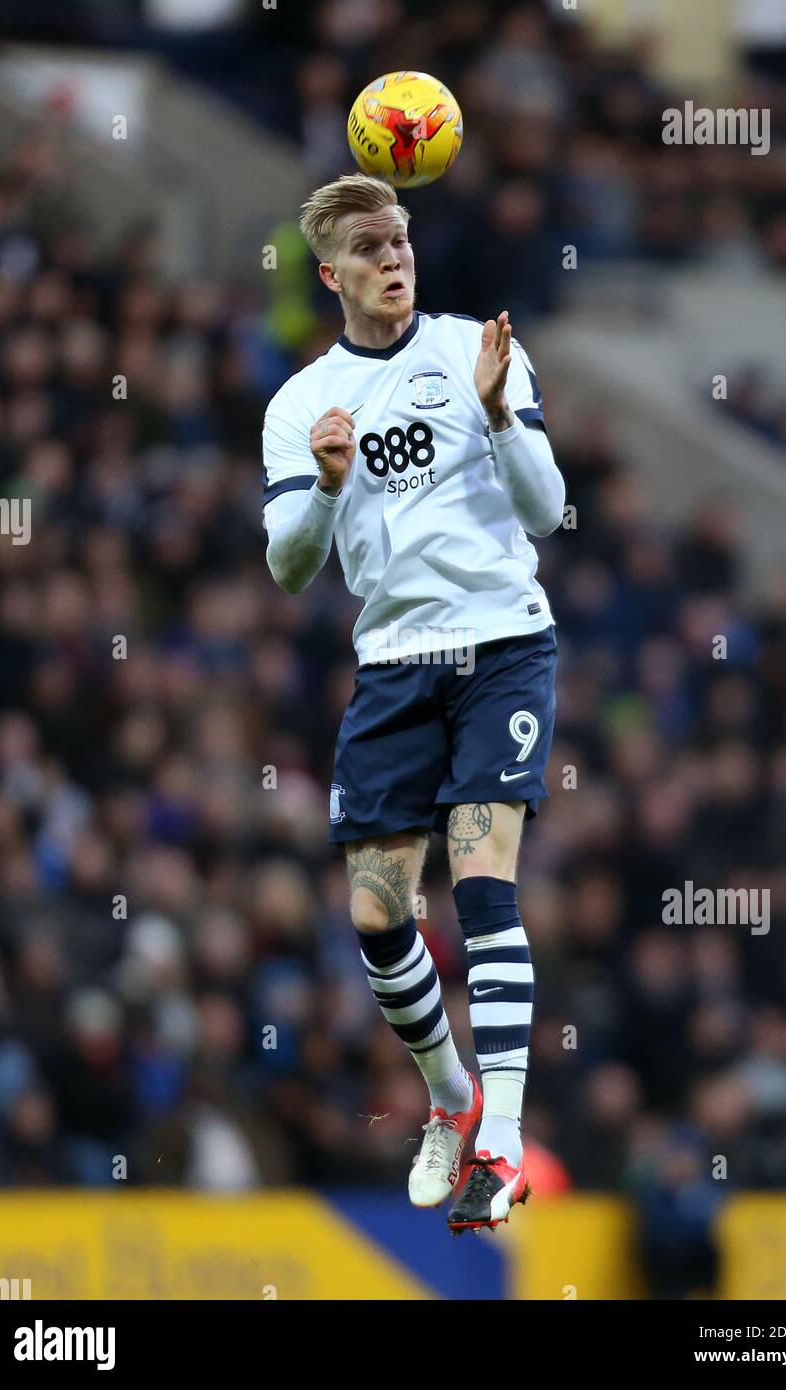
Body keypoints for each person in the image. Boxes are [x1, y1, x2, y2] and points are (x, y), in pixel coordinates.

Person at [261, 173, 565, 1231]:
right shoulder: (304, 405)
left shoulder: (478, 349)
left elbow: (550, 506)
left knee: (484, 883)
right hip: (394, 662)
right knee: (378, 913)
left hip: (504, 645)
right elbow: (292, 567)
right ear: (333, 271)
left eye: (401, 238)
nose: (394, 257)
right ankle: (449, 1097)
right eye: (370, 246)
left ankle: (504, 1138)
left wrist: (498, 415)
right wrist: (332, 484)